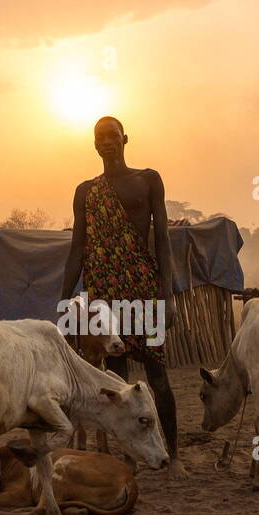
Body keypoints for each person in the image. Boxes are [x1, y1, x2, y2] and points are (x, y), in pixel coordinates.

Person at [61, 115, 185, 474]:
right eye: (100, 137)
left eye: (112, 136)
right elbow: (76, 251)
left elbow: (162, 241)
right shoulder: (85, 191)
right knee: (115, 382)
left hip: (143, 290)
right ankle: (128, 457)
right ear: (94, 144)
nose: (106, 142)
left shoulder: (148, 180)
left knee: (157, 375)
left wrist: (168, 296)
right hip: (103, 295)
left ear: (125, 139)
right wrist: (63, 300)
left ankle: (173, 455)